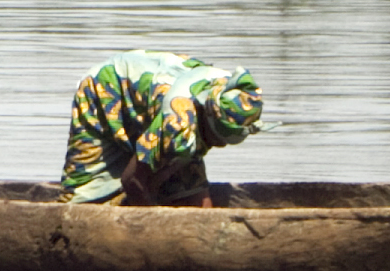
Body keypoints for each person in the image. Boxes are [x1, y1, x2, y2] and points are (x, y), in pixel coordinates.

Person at [62, 50, 264, 207]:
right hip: (103, 92)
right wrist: (154, 216)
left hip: (154, 109)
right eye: (219, 137)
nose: (221, 145)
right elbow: (131, 180)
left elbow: (191, 174)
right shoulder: (177, 123)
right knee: (85, 197)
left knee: (186, 187)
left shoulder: (228, 92)